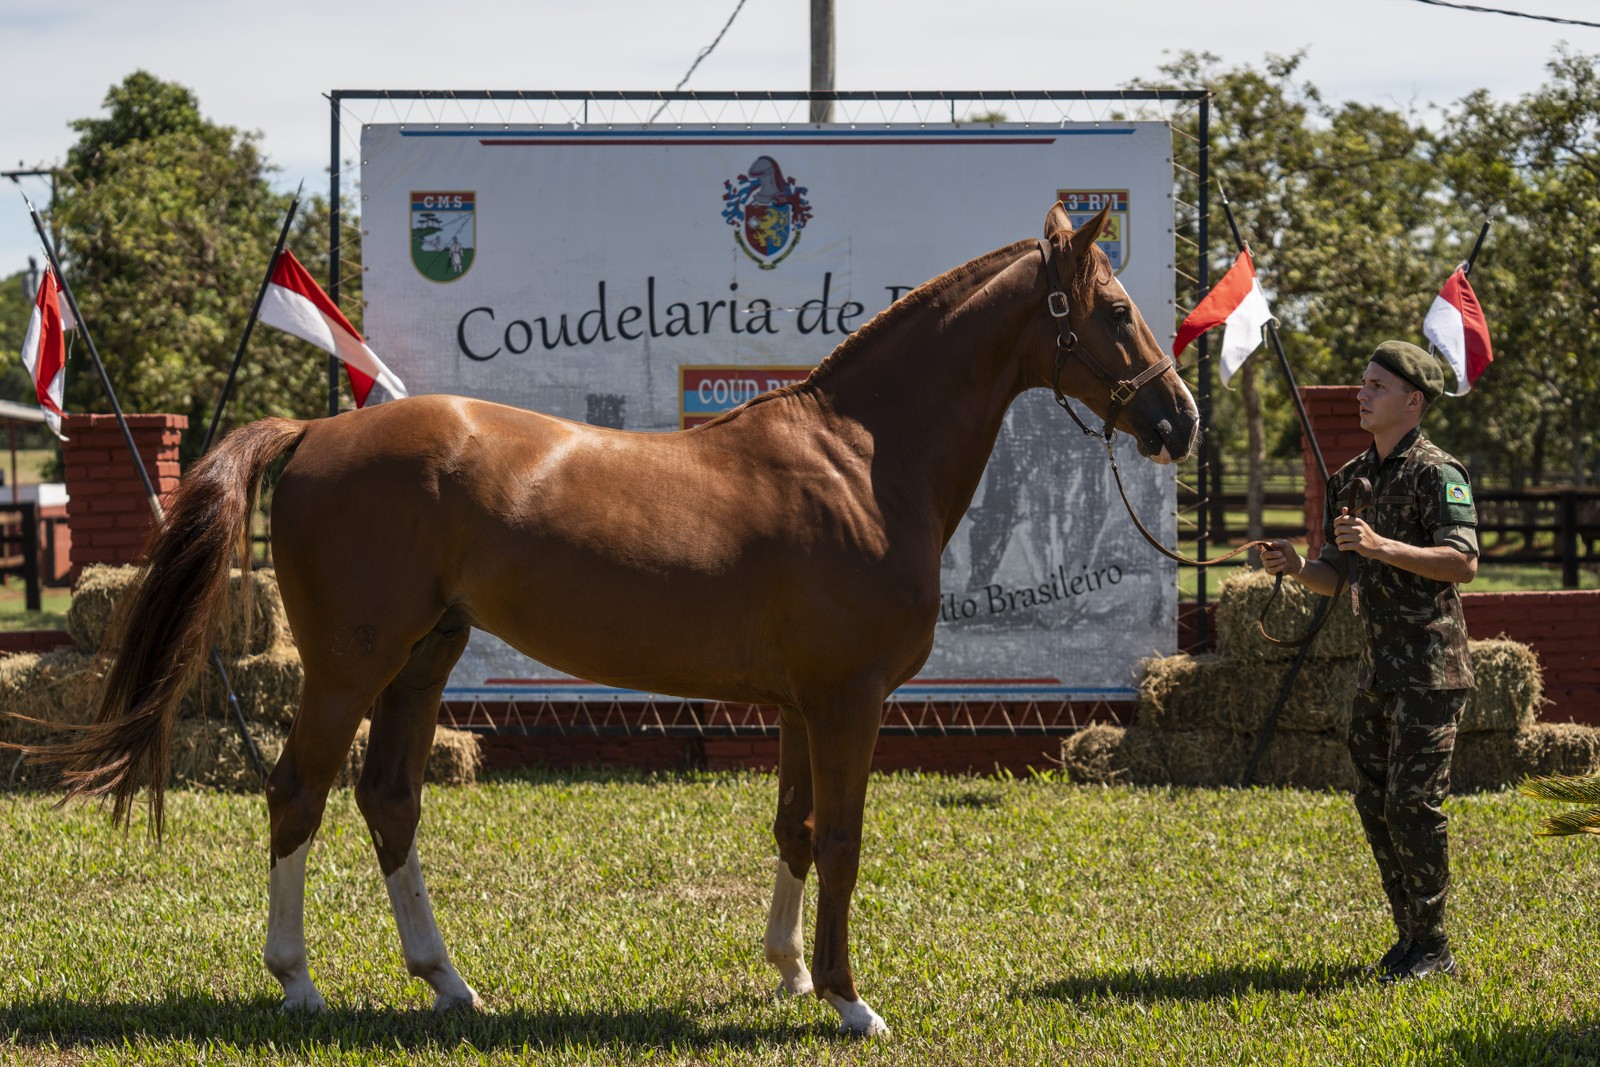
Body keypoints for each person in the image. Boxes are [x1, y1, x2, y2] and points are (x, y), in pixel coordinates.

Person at [1262, 340, 1477, 983]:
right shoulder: (1349, 478)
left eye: (1377, 387)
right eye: (1363, 384)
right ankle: (1410, 938)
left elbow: (1463, 562)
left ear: (1413, 401)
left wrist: (1384, 546)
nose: (1362, 394)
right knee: (1375, 802)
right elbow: (1336, 572)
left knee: (1415, 803)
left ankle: (1434, 944)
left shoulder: (1439, 473)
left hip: (1430, 672)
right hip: (1376, 670)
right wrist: (1298, 568)